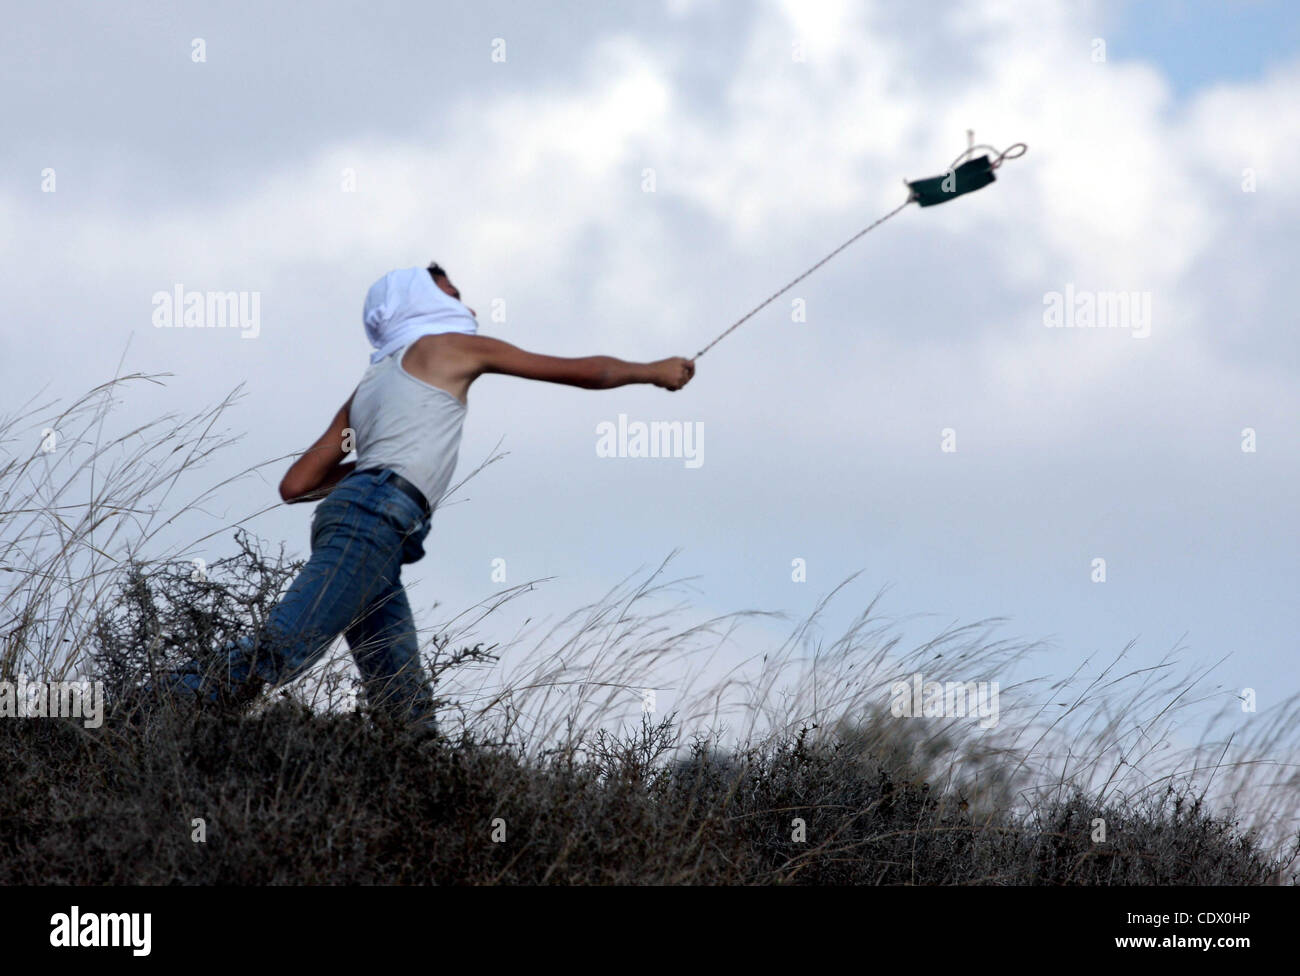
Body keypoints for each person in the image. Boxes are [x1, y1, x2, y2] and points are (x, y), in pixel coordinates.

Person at [165, 262, 695, 727]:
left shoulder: (371, 385)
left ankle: (422, 798)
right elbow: (584, 371)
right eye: (448, 291)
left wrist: (374, 469)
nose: (463, 302)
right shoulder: (447, 348)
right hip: (373, 523)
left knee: (403, 706)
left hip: (367, 528)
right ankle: (144, 712)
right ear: (413, 300)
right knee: (283, 651)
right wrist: (652, 372)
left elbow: (297, 484)